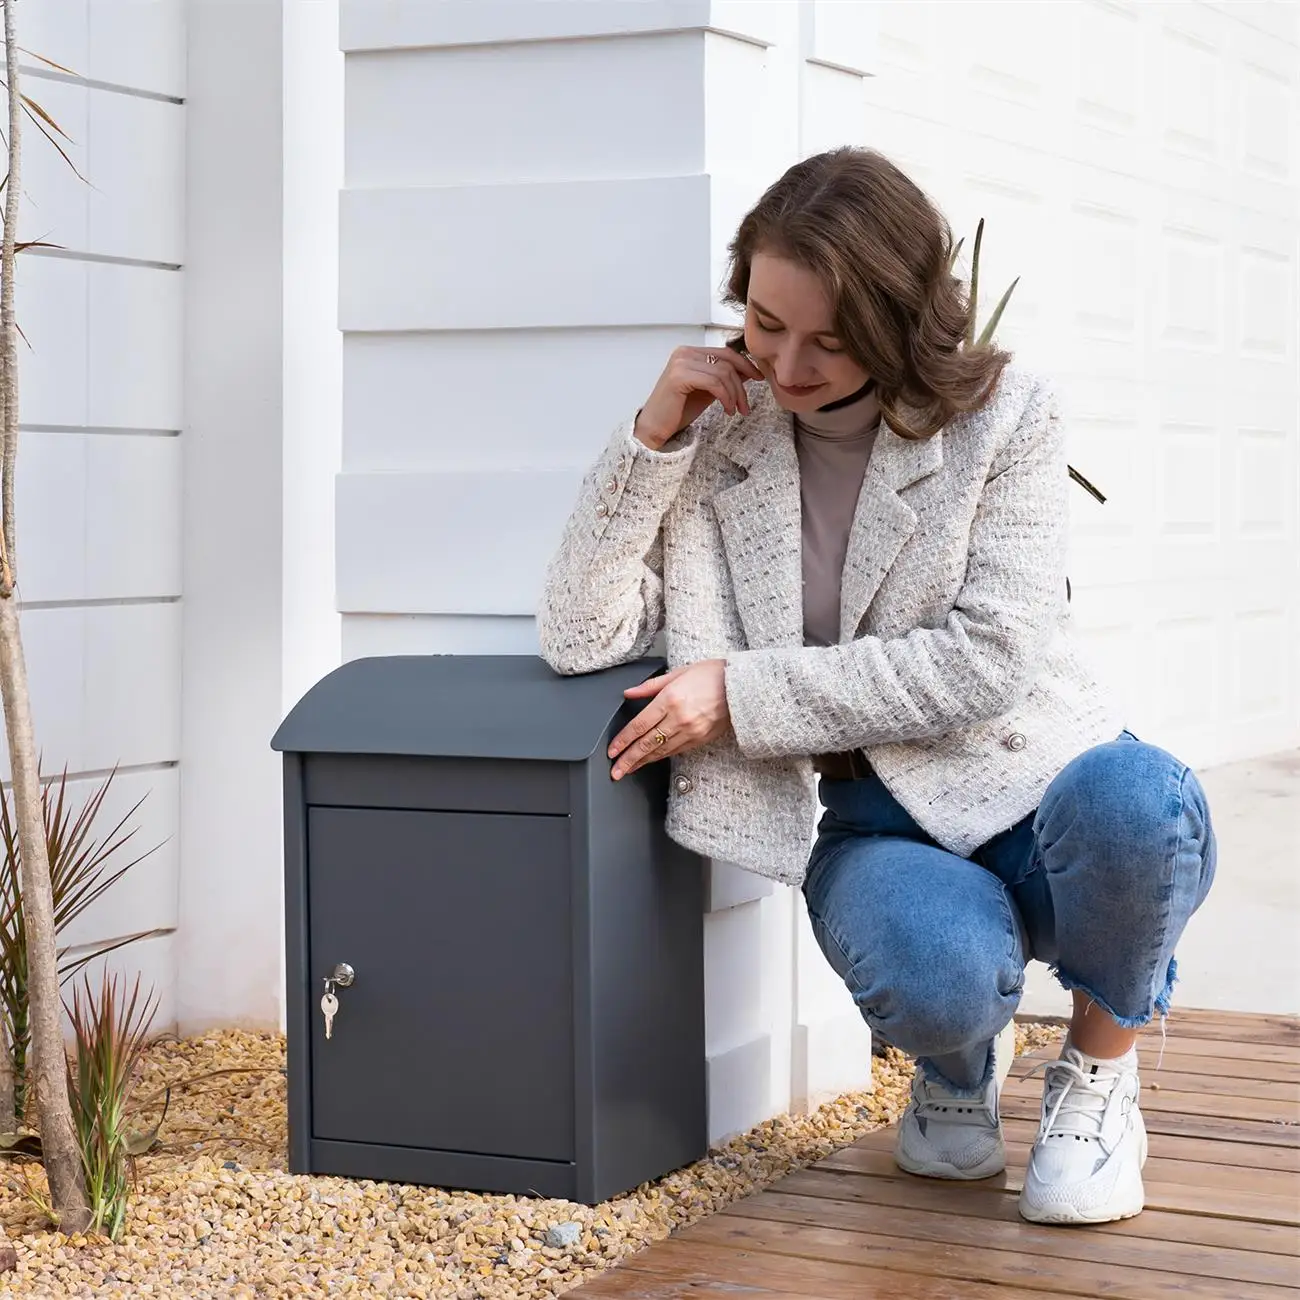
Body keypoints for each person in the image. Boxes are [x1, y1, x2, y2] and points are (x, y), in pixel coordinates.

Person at [537, 147, 1215, 1226]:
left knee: (1138, 800)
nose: (789, 365)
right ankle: (953, 1074)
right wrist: (652, 435)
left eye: (832, 338)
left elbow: (987, 657)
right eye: (764, 322)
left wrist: (742, 696)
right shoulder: (722, 440)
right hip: (883, 816)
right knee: (930, 970)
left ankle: (1097, 1079)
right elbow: (581, 633)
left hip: (1045, 786)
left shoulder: (1008, 414)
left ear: (899, 320)